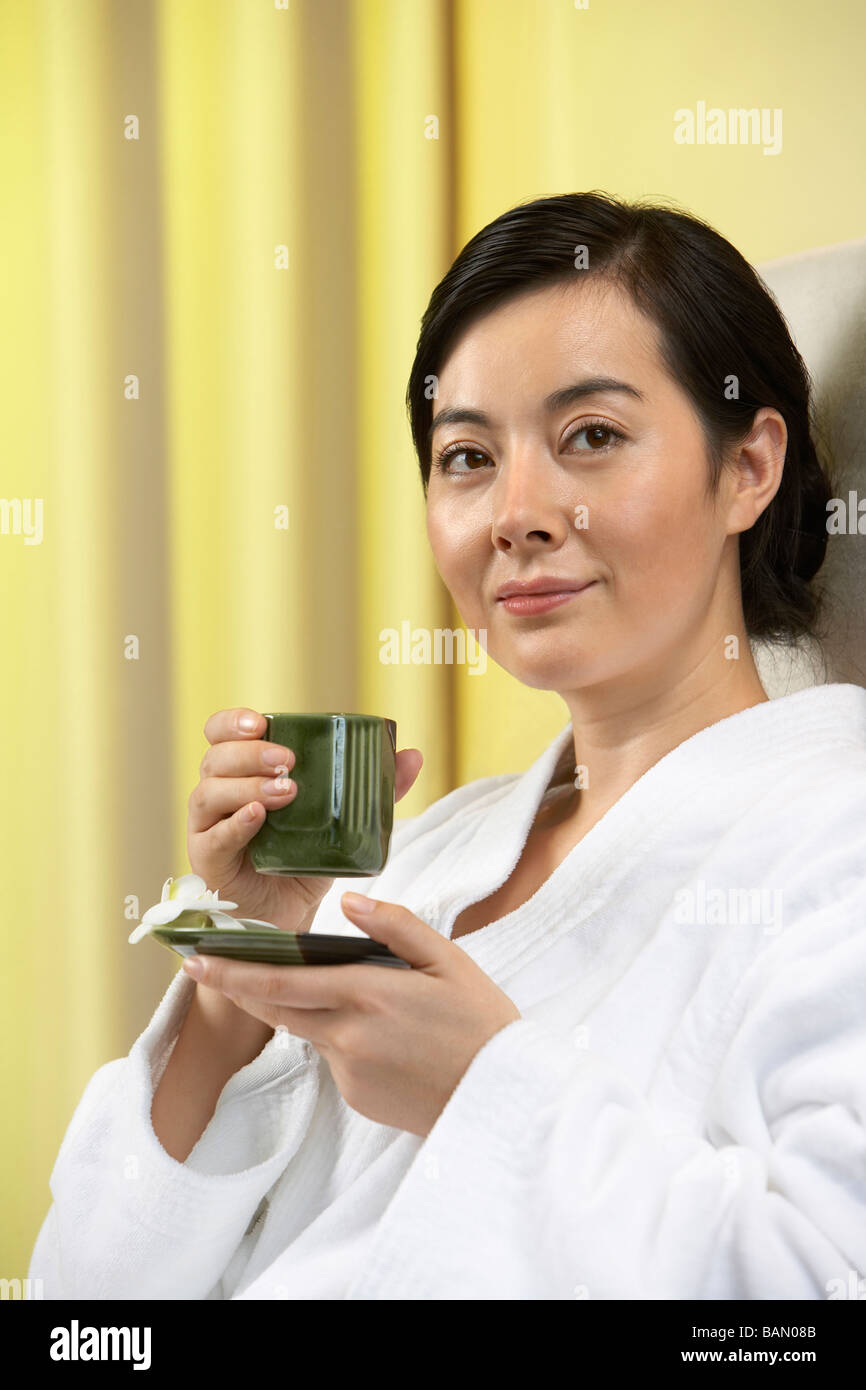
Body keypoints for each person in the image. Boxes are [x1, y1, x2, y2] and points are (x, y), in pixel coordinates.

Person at [30, 192, 866, 1299]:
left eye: (591, 437)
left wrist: (481, 1084)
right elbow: (89, 1303)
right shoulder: (418, 859)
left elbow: (804, 1294)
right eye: (466, 455)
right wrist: (243, 975)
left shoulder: (831, 840)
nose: (513, 512)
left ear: (748, 467)